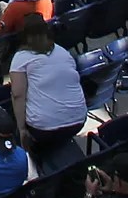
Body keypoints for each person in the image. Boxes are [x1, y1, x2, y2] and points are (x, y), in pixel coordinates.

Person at [9, 15, 88, 155]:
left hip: (43, 129)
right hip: (78, 121)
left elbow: (17, 94)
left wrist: (21, 130)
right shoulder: (63, 52)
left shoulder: (21, 58)